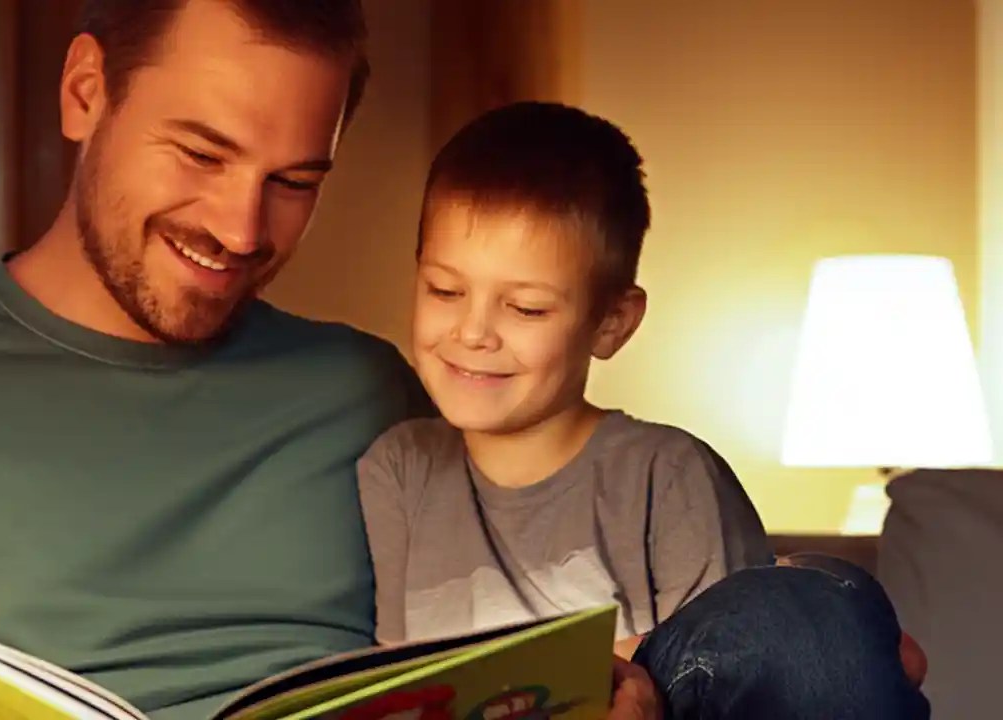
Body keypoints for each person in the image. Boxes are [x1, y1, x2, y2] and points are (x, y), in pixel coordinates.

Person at [0, 2, 663, 719]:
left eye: (293, 181)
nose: (242, 229)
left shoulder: (373, 392)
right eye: (202, 155)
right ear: (85, 92)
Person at [357, 100, 930, 718]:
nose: (472, 333)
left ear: (611, 323)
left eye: (525, 308)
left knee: (798, 610)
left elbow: (743, 671)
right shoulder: (400, 469)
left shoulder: (668, 474)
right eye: (445, 290)